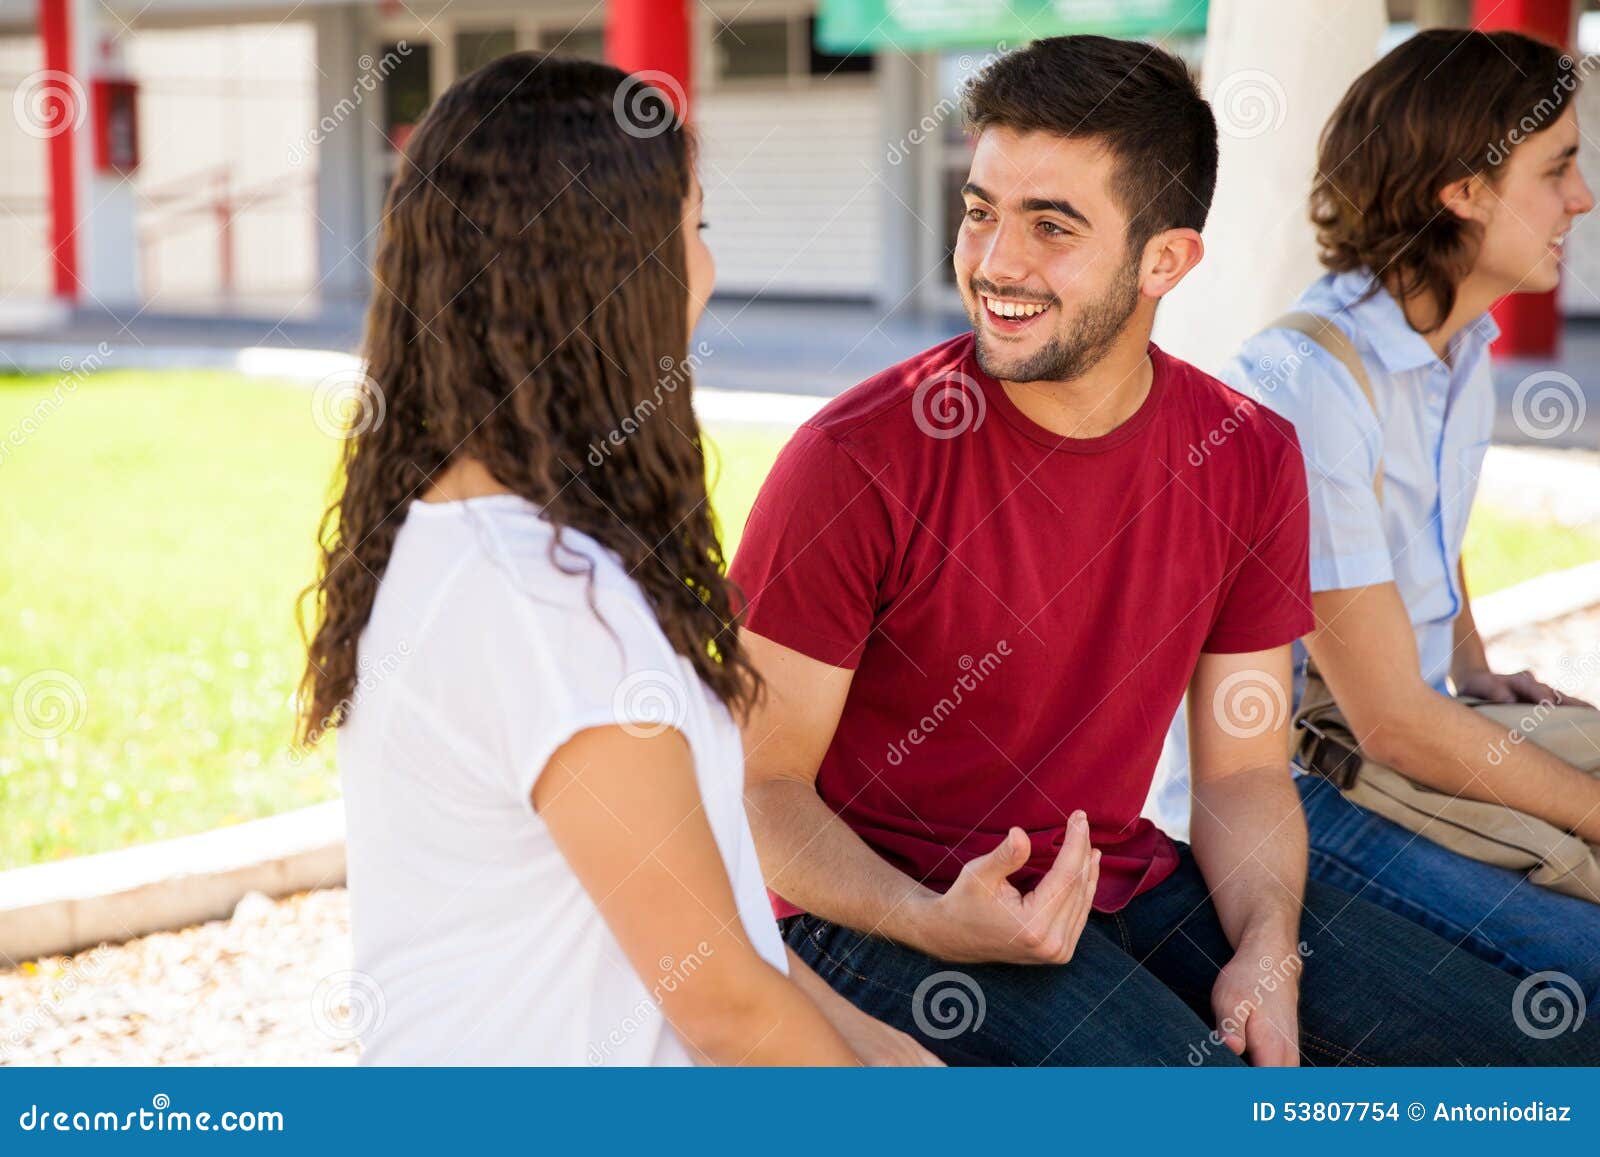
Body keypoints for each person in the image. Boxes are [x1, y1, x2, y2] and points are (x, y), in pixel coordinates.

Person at [729, 35, 1599, 1066]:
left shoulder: (1244, 452)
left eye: (1050, 226)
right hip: (871, 915)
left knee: (1543, 1052)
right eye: (979, 210)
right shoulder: (852, 459)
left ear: (1166, 260)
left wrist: (1268, 946)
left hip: (1118, 872)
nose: (995, 261)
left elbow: (1236, 773)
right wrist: (924, 915)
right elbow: (755, 787)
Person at [296, 53, 937, 1067]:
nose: (708, 268)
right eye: (696, 229)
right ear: (614, 274)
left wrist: (896, 1056)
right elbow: (725, 1007)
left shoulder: (465, 536)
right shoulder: (546, 604)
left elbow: (716, 931)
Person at [1219, 29, 1600, 996]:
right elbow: (1387, 721)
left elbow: (1432, 522)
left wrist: (1470, 660)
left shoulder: (1455, 340)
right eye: (1558, 169)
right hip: (1310, 787)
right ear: (1461, 192)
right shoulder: (1310, 382)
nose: (1582, 200)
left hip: (1420, 728)